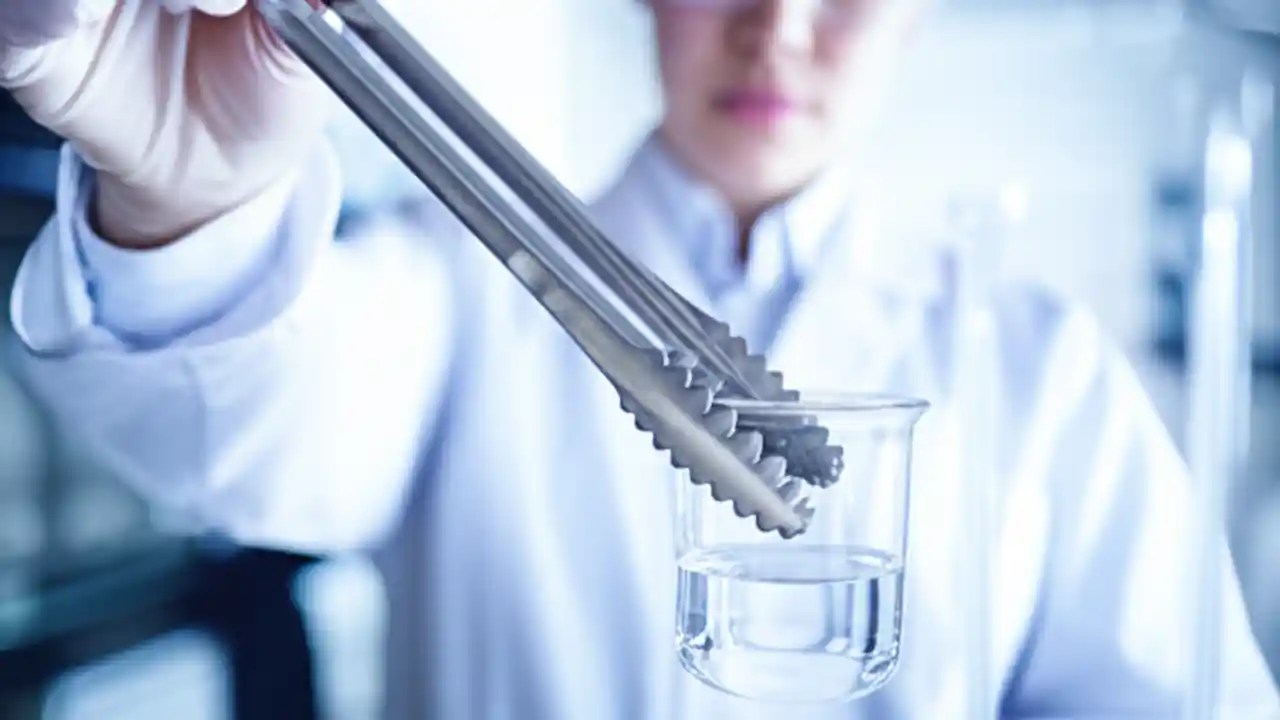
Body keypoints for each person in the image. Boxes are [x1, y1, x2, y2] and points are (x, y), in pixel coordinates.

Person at [2, 0, 1277, 717]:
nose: (775, 27)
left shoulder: (1042, 370)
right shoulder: (452, 296)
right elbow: (242, 427)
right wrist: (186, 194)